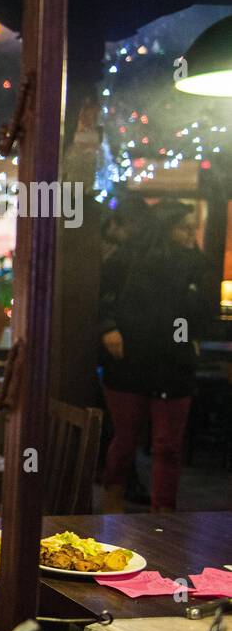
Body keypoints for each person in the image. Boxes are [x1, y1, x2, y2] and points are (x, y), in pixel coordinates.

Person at [99, 202, 210, 512]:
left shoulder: (196, 265)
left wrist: (186, 331)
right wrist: (108, 327)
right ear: (165, 228)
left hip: (173, 365)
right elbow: (103, 296)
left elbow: (201, 314)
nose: (190, 234)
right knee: (125, 439)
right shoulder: (130, 258)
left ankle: (164, 515)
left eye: (192, 228)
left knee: (167, 446)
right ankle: (112, 505)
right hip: (130, 360)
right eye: (183, 227)